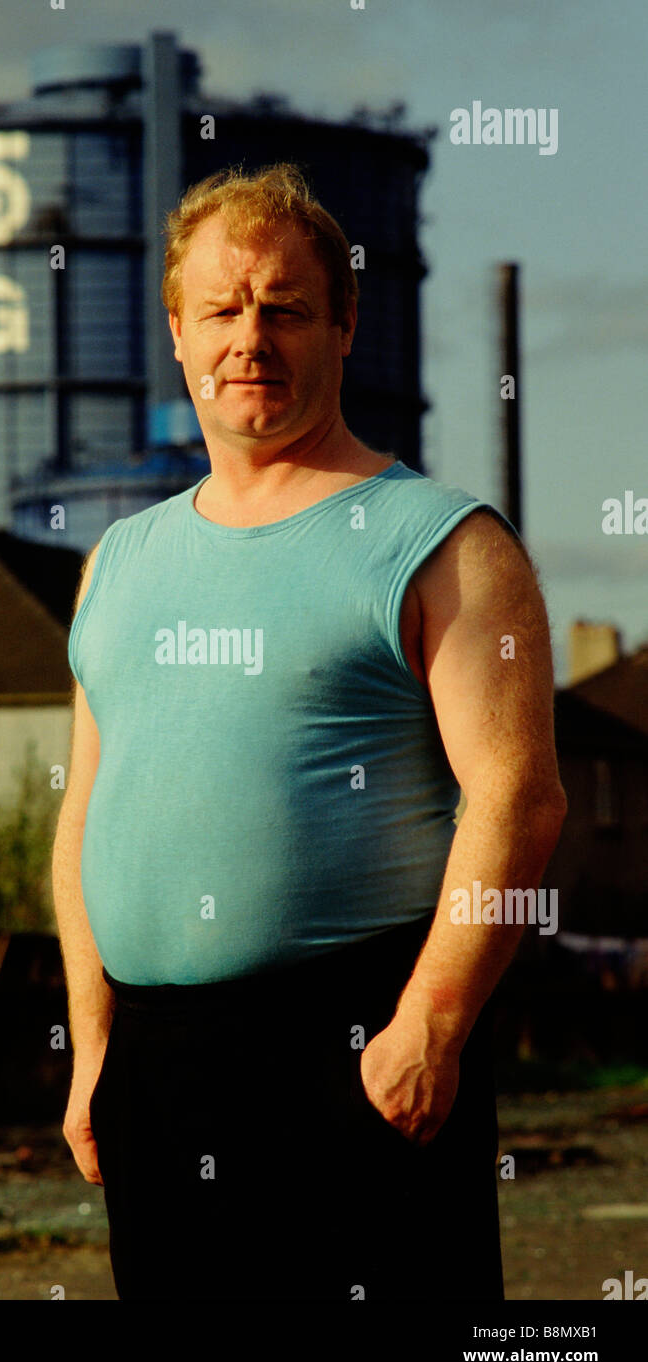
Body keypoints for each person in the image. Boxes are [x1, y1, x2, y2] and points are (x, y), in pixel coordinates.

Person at [53, 164, 567, 1301]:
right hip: (155, 1063)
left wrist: (430, 1023)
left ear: (342, 325)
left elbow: (520, 800)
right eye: (222, 311)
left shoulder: (442, 543)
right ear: (177, 335)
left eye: (284, 306)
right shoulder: (119, 562)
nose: (251, 337)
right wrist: (93, 1045)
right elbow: (86, 814)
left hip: (354, 1046)